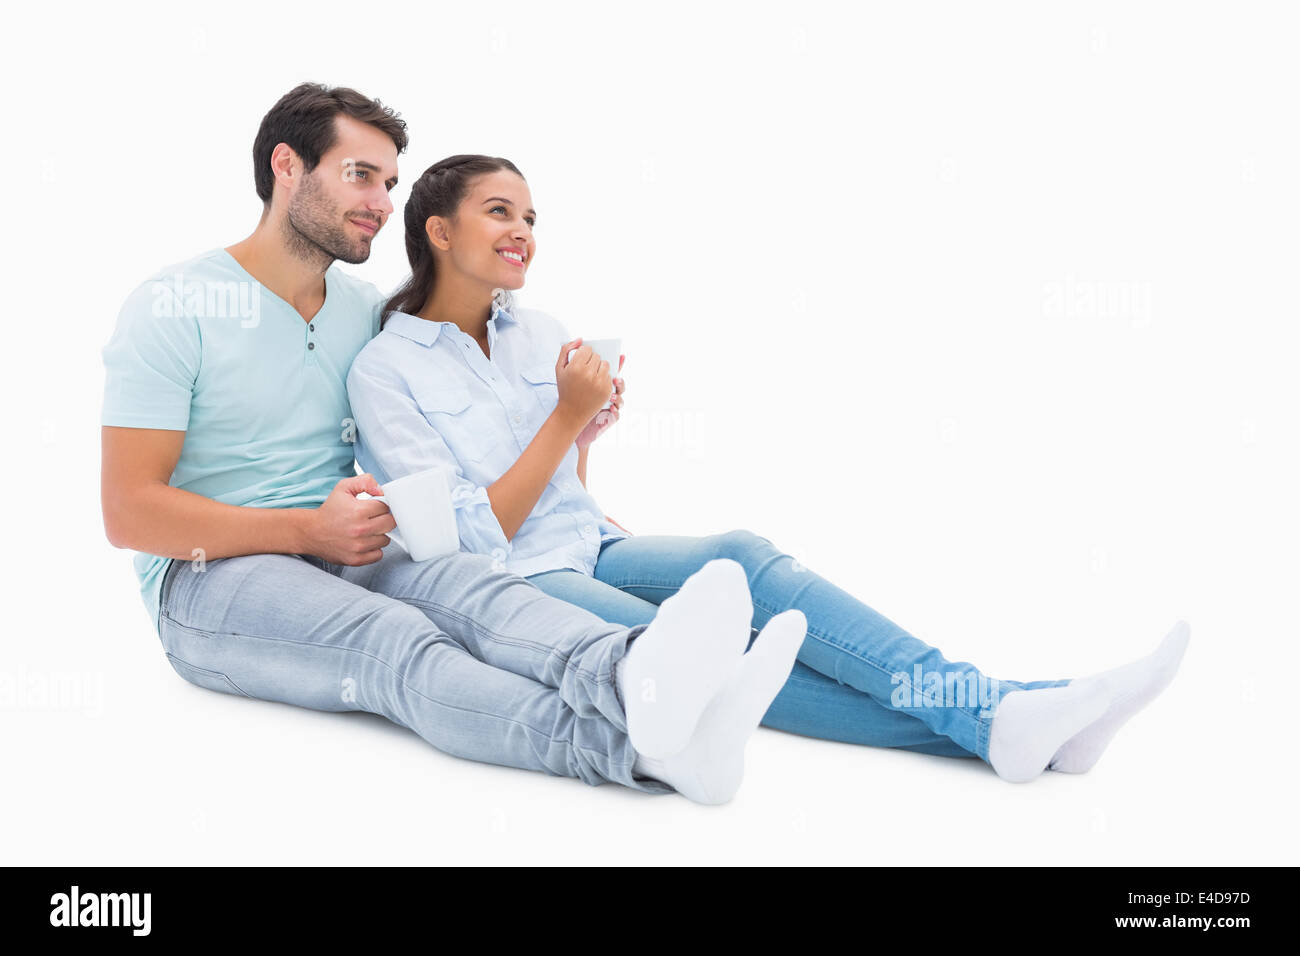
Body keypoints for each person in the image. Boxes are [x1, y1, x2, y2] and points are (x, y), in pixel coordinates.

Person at [345, 154, 1192, 783]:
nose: (524, 232)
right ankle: (1006, 714)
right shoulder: (385, 369)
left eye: (532, 216)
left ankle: (1004, 714)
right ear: (440, 230)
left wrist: (584, 440)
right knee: (719, 654)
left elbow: (561, 492)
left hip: (590, 541)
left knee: (744, 555)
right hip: (519, 583)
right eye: (501, 212)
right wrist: (564, 415)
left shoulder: (539, 331)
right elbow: (469, 537)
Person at [99, 82, 811, 806]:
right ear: (287, 166)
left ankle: (633, 677)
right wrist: (303, 528)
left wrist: (578, 466)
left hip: (344, 540)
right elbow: (128, 514)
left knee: (475, 585)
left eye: (389, 182)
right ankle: (642, 754)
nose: (381, 201)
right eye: (359, 175)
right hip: (213, 578)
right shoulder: (175, 306)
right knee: (392, 642)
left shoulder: (361, 312)